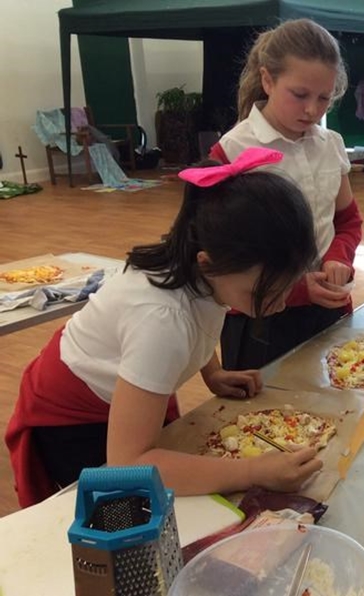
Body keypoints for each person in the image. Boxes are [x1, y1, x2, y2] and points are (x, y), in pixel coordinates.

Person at [5, 148, 325, 508]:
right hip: (73, 419)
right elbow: (127, 464)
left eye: (287, 288)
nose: (280, 304)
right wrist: (253, 471)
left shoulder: (197, 267)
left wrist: (213, 372)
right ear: (207, 264)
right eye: (263, 293)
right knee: (120, 514)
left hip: (121, 390)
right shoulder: (161, 320)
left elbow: (204, 310)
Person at [209, 18, 363, 371]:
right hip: (259, 319)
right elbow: (221, 259)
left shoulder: (331, 144)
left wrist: (338, 259)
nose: (312, 110)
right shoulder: (232, 151)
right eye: (299, 95)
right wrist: (295, 289)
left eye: (324, 97)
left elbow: (347, 220)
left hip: (328, 308)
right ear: (267, 79)